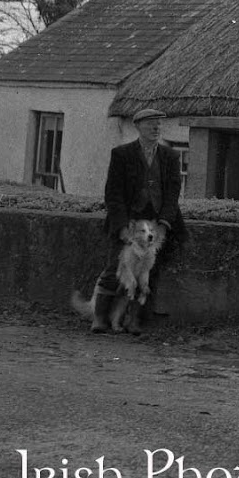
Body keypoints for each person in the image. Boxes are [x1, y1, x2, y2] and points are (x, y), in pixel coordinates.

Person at [88, 108, 187, 333]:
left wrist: (164, 223)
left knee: (147, 272)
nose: (156, 128)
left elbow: (173, 193)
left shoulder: (170, 156)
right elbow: (113, 194)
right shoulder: (122, 154)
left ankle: (134, 320)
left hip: (156, 224)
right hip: (130, 223)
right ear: (137, 127)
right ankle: (100, 317)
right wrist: (122, 226)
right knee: (116, 267)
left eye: (159, 125)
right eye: (150, 124)